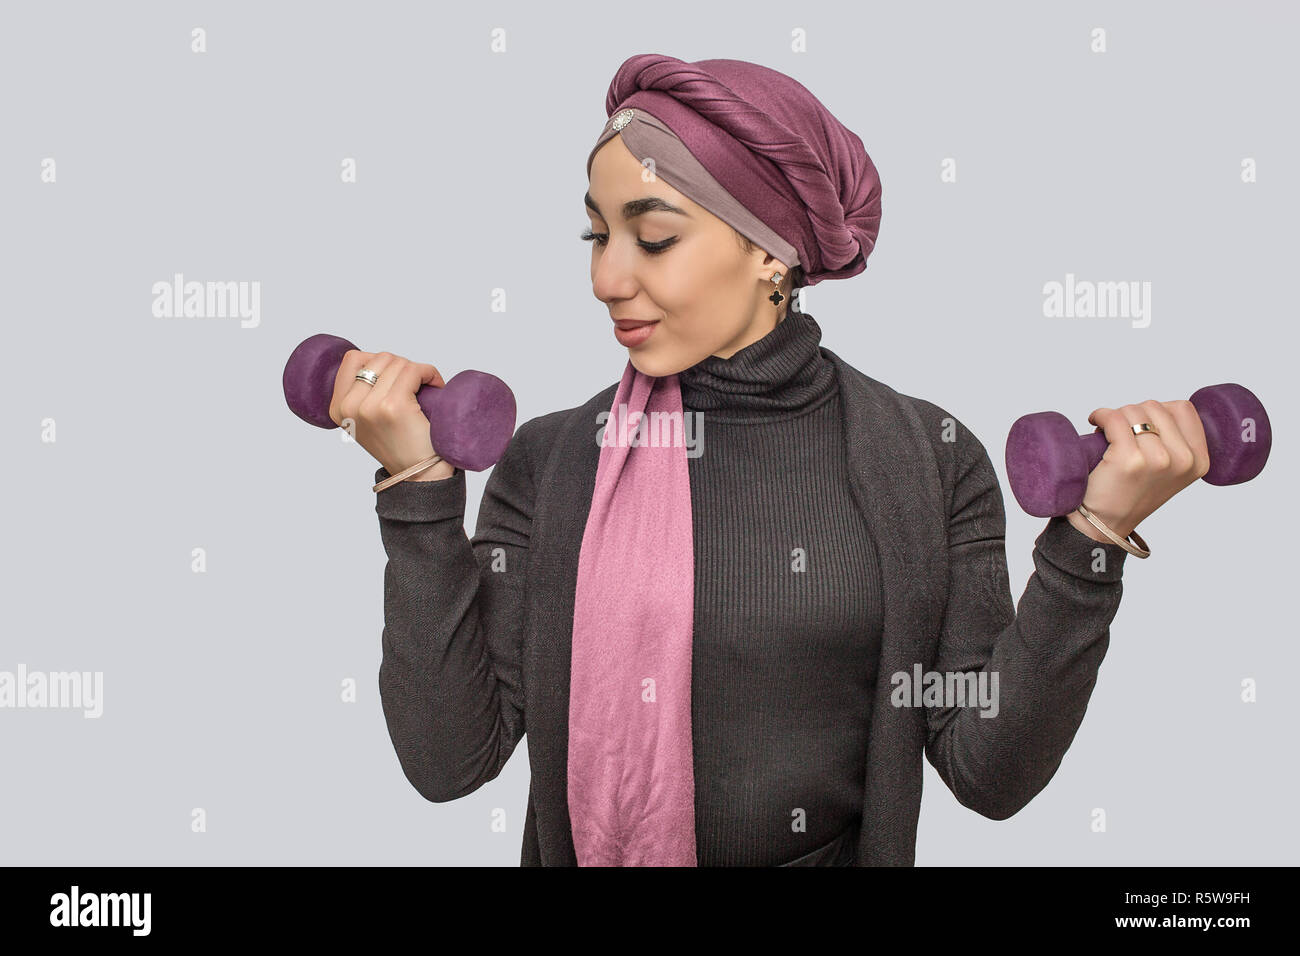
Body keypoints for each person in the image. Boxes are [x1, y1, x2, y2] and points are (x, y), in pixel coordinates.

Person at [329, 55, 1210, 866]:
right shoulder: (552, 461)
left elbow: (991, 773)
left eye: (655, 236)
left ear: (769, 253)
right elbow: (449, 760)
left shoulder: (928, 459)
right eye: (597, 237)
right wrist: (419, 493)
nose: (607, 279)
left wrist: (1093, 539)